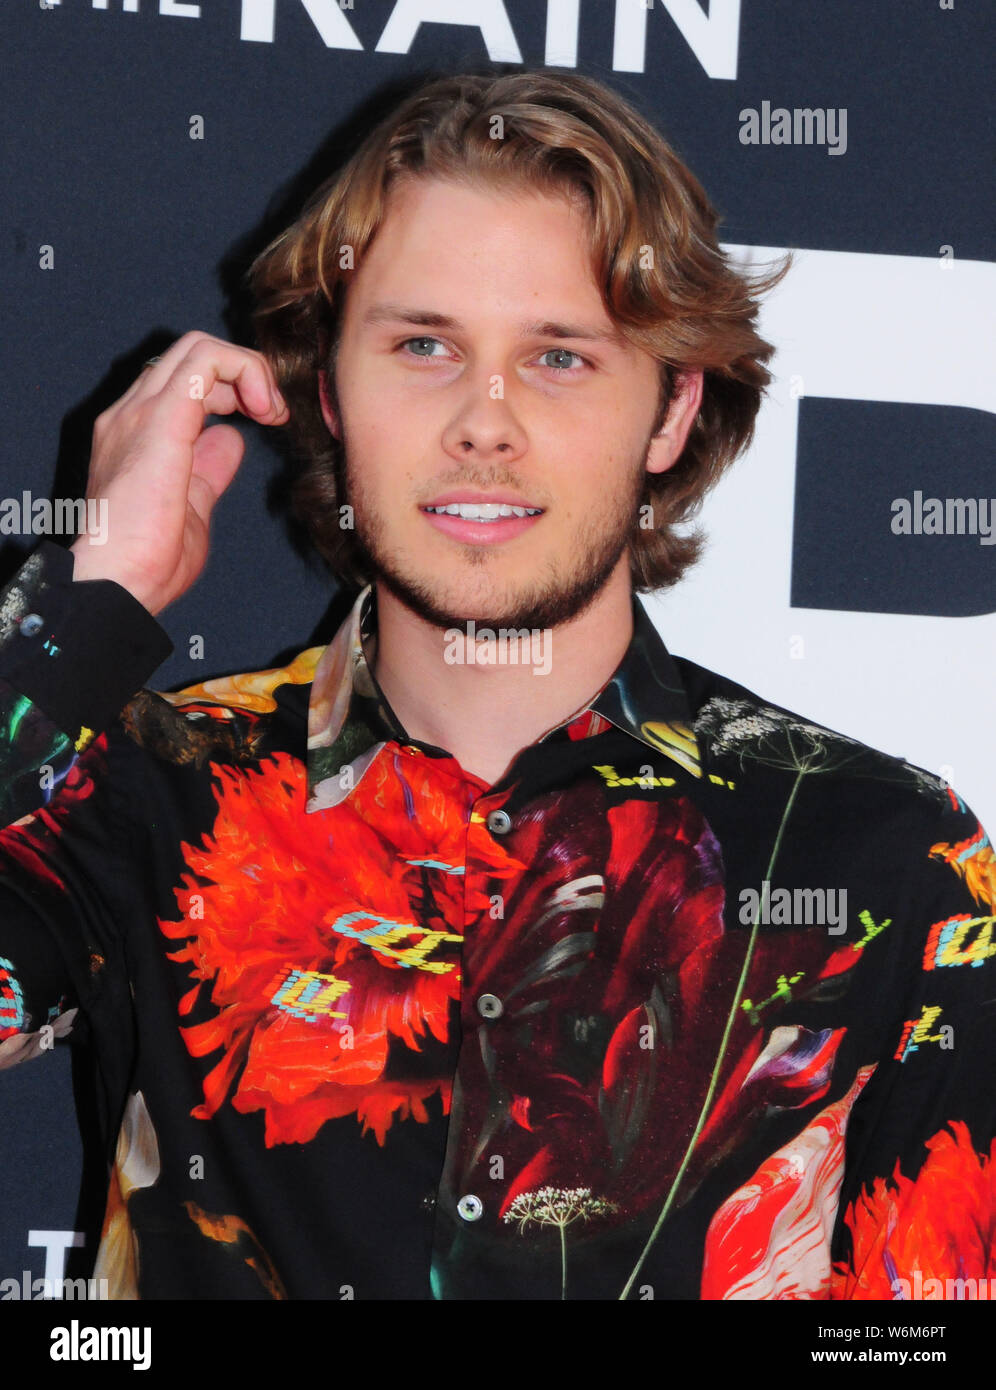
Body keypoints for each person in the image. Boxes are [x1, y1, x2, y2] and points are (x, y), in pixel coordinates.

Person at [1, 70, 992, 1302]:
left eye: (561, 357)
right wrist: (89, 607)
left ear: (673, 410)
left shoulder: (888, 854)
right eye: (424, 345)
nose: (487, 420)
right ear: (328, 392)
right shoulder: (138, 785)